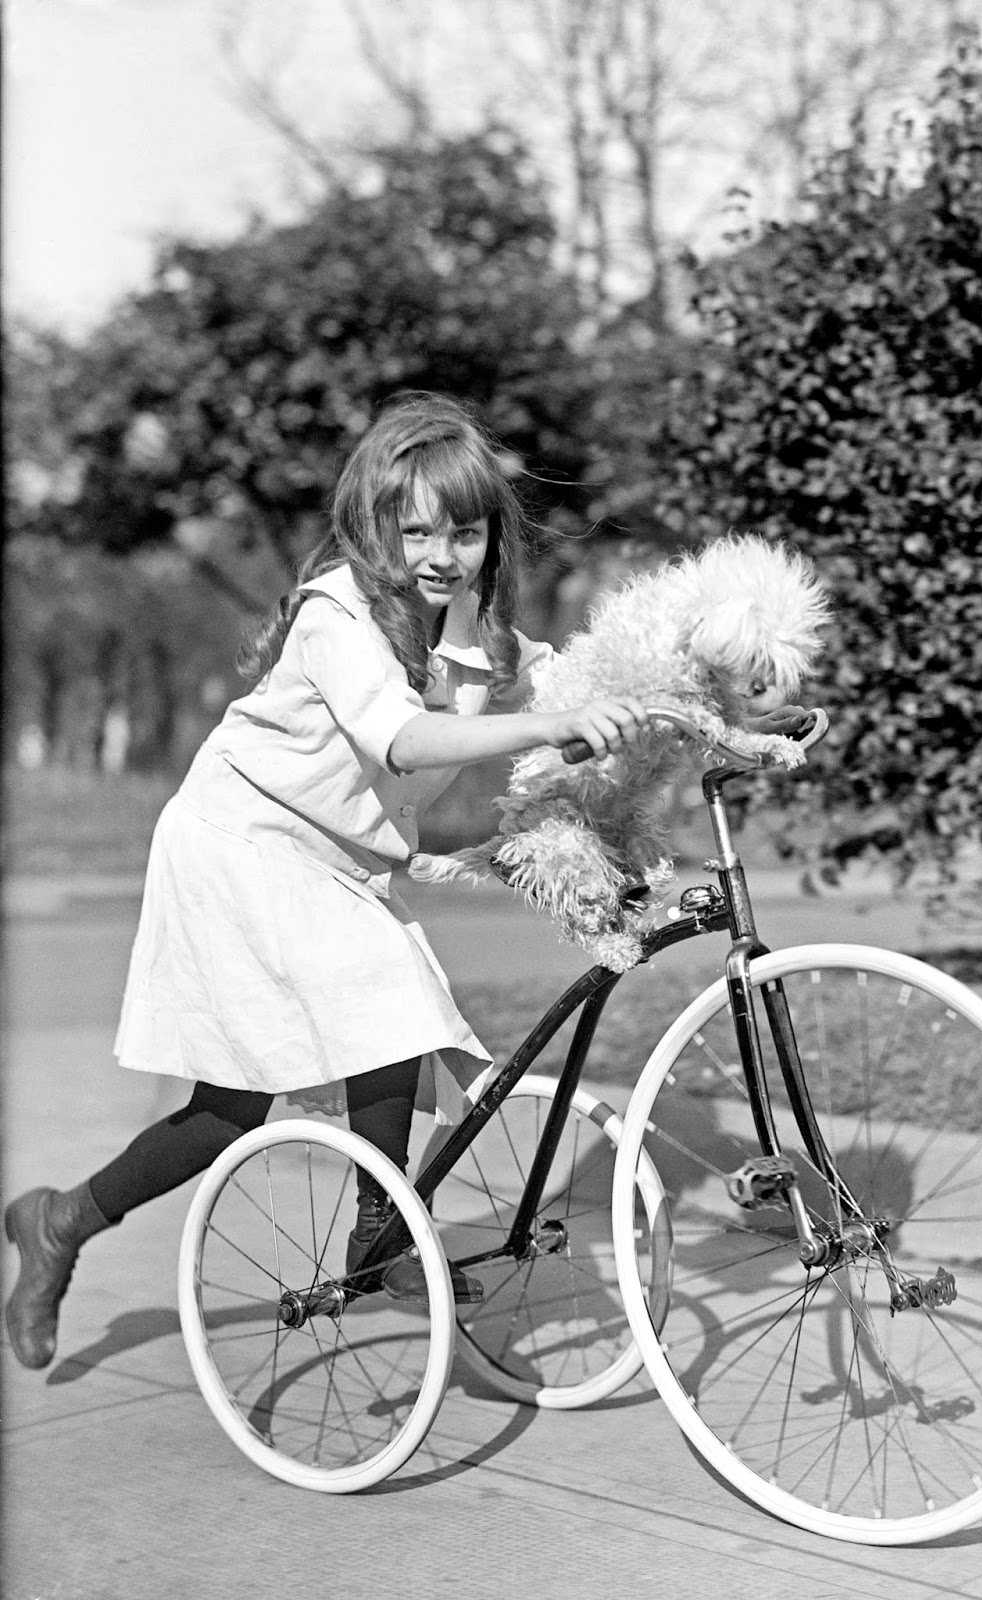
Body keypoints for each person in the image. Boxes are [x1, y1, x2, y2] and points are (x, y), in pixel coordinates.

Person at [3, 391, 654, 1371]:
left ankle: (378, 1237)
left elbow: (560, 673)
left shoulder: (470, 623)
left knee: (387, 1017)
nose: (441, 555)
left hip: (332, 861)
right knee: (234, 1105)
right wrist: (541, 728)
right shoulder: (337, 612)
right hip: (241, 844)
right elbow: (403, 739)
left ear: (488, 537)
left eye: (465, 533)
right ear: (376, 523)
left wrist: (685, 696)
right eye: (418, 529)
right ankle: (60, 1220)